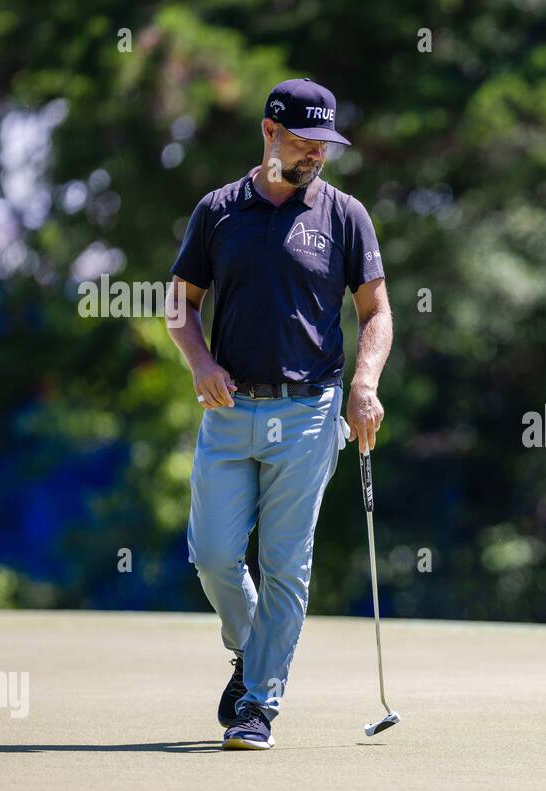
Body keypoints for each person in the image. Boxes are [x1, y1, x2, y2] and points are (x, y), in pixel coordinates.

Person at [165, 78, 392, 750]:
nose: (316, 154)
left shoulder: (345, 215)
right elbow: (179, 304)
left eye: (324, 144)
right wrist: (200, 364)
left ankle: (258, 704)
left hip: (311, 412)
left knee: (285, 563)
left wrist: (365, 382)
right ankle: (251, 650)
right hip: (230, 409)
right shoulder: (217, 210)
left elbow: (376, 311)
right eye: (303, 142)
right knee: (212, 555)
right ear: (269, 132)